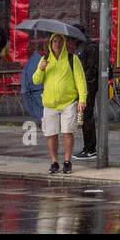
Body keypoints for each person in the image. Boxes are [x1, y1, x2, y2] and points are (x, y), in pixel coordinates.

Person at [31, 33, 88, 174]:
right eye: (54, 41)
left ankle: (67, 161)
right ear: (50, 44)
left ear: (64, 44)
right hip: (50, 103)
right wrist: (41, 69)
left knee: (68, 131)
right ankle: (54, 162)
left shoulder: (72, 59)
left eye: (59, 42)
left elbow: (80, 80)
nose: (57, 44)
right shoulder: (44, 60)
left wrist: (82, 99)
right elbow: (35, 81)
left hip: (68, 102)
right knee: (51, 133)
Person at [70, 24, 101, 159]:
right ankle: (88, 147)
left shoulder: (88, 47)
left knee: (86, 115)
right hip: (85, 85)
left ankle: (90, 148)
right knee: (84, 116)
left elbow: (92, 68)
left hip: (88, 86)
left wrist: (83, 81)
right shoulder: (81, 46)